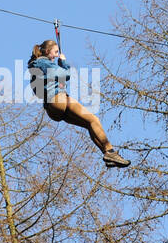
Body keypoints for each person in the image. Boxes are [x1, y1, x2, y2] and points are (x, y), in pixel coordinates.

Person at [28, 38, 130, 167]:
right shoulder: (44, 63)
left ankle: (108, 154)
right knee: (93, 120)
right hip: (58, 99)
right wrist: (63, 62)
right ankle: (110, 151)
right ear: (47, 51)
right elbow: (66, 75)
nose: (56, 55)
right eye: (55, 52)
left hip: (52, 109)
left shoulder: (36, 67)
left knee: (89, 124)